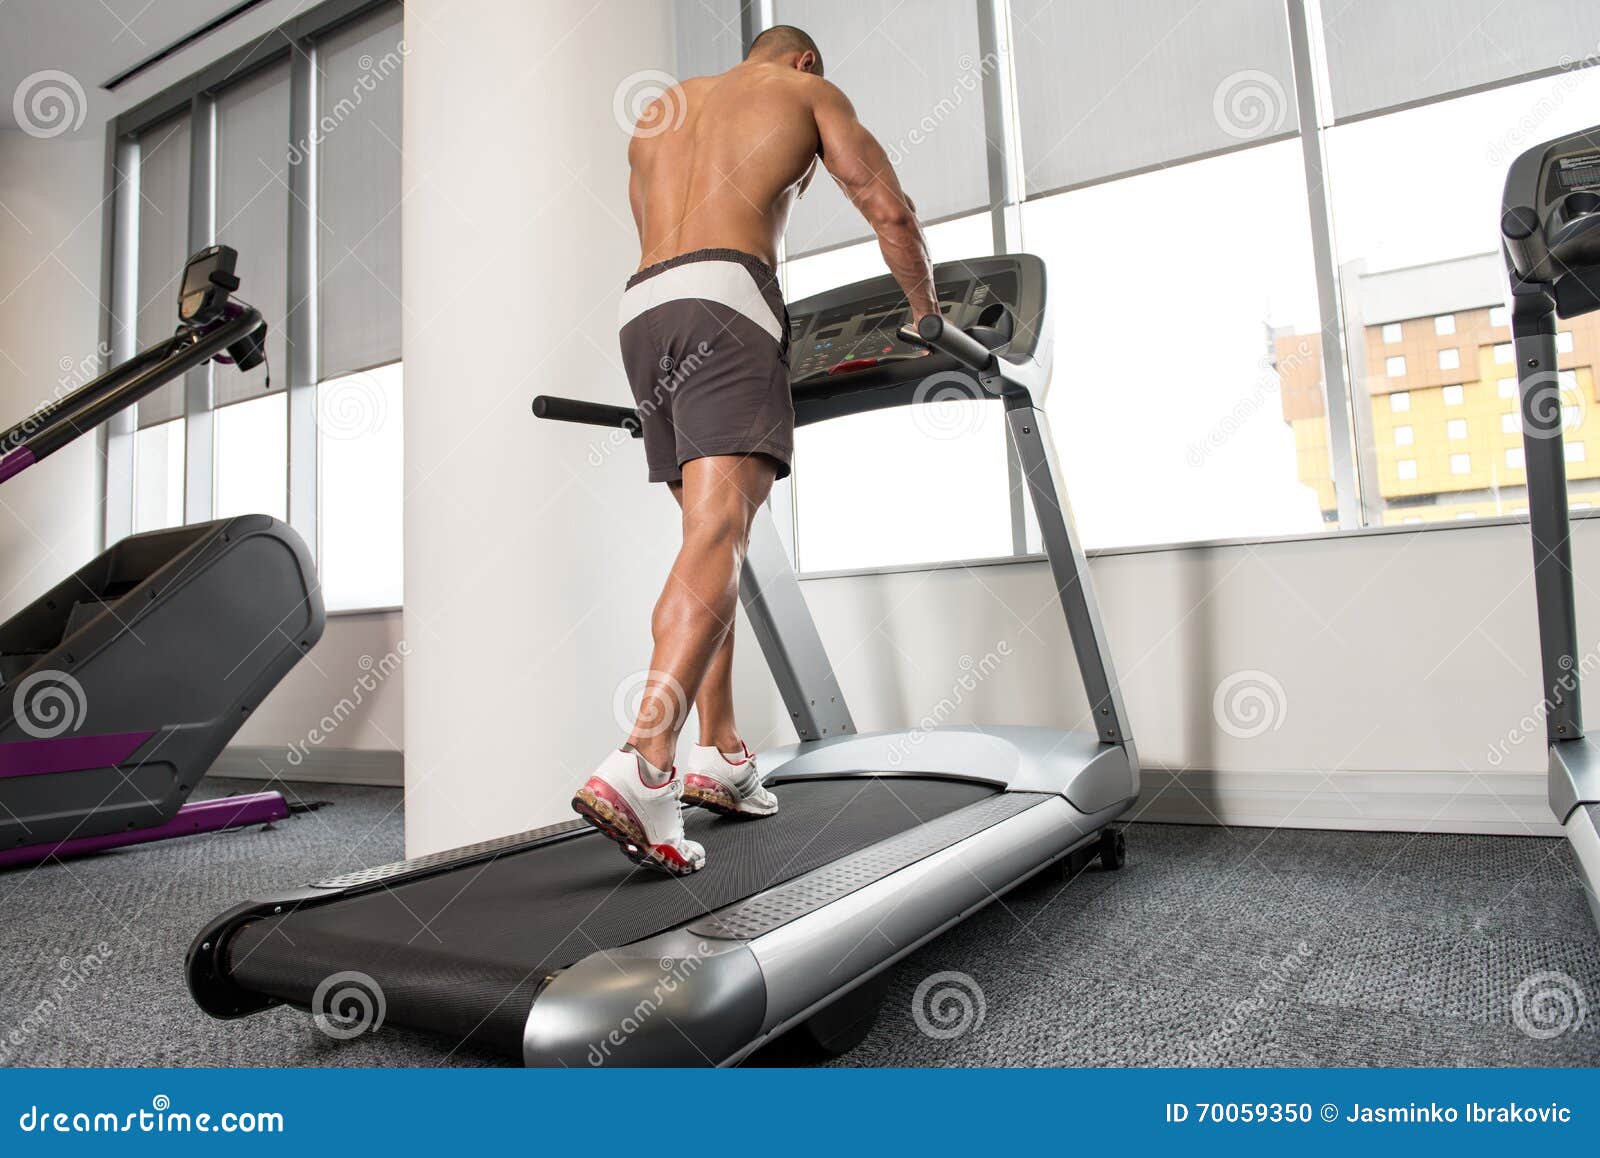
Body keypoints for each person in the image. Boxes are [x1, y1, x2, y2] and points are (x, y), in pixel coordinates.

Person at [572, 25, 940, 875]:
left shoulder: (664, 109)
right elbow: (888, 206)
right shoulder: (806, 92)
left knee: (710, 540)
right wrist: (924, 312)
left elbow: (668, 233)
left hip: (644, 312)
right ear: (807, 59)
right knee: (718, 535)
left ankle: (722, 752)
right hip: (730, 298)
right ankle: (645, 756)